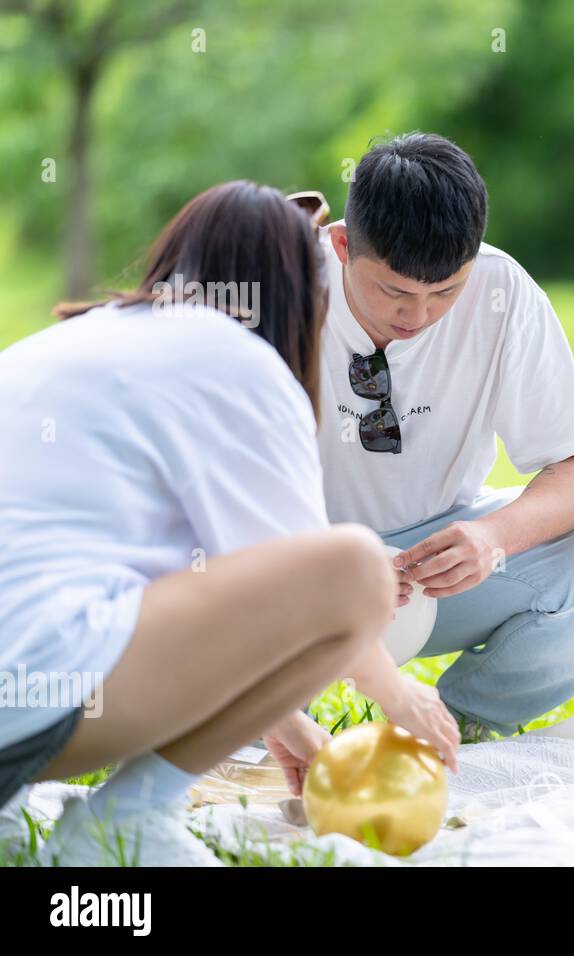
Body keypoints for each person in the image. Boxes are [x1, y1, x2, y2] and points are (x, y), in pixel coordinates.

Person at [0, 181, 460, 866]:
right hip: (35, 695)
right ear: (300, 293)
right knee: (356, 567)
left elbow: (218, 600)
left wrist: (290, 728)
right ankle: (126, 822)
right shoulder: (235, 359)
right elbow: (310, 579)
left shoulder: (72, 342)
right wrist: (396, 696)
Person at [314, 132, 574, 739]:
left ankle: (455, 732)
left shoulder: (503, 291)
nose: (417, 316)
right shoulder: (279, 283)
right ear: (344, 245)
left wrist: (491, 537)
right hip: (288, 568)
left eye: (445, 292)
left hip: (432, 563)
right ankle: (260, 731)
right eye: (394, 291)